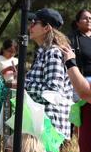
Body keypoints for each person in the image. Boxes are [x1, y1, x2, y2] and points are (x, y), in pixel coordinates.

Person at [24, 8, 73, 140]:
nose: (30, 26)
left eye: (34, 22)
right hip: (43, 124)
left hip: (49, 128)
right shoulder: (45, 53)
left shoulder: (53, 53)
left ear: (46, 28)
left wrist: (24, 85)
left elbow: (53, 93)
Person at [68, 9, 91, 84]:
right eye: (85, 18)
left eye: (90, 18)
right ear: (77, 23)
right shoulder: (72, 38)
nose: (88, 20)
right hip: (82, 81)